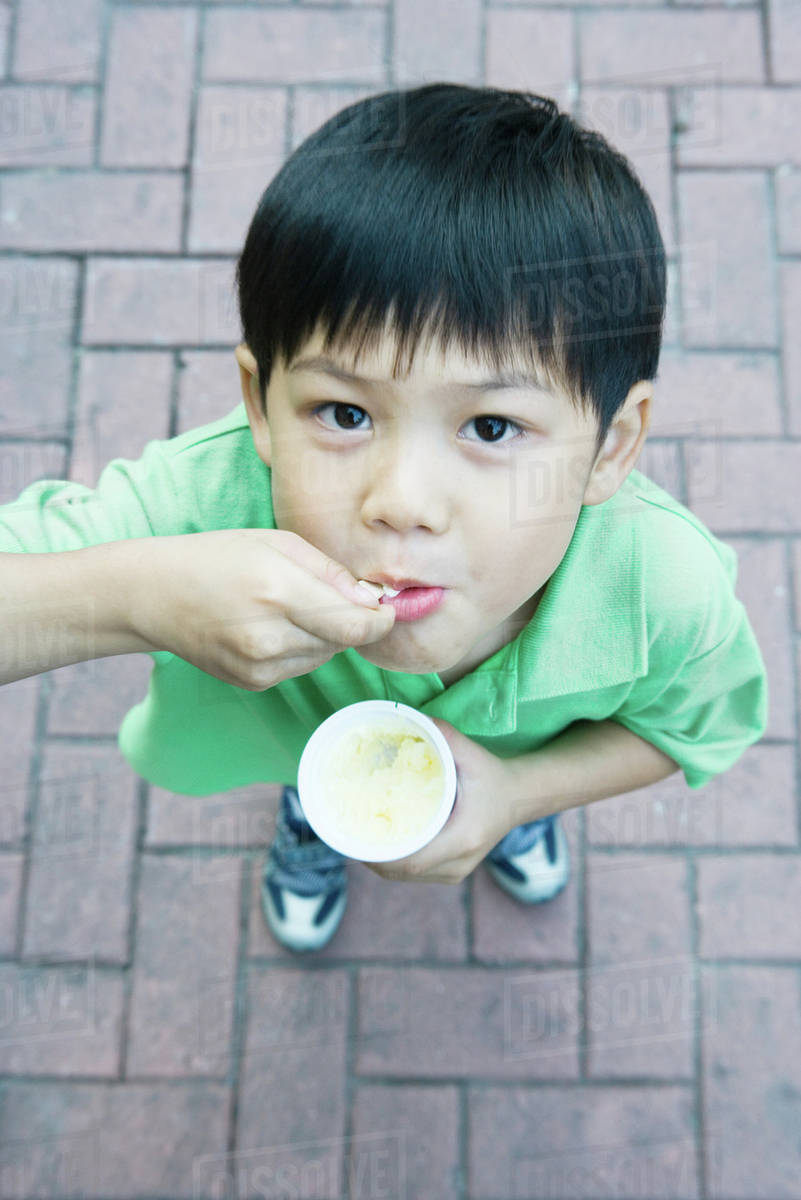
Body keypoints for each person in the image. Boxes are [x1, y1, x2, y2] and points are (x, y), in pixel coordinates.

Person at [0, 84, 768, 953]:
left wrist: (524, 794)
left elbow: (685, 727)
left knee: (489, 793)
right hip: (290, 738)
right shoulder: (201, 507)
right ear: (260, 401)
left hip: (517, 772)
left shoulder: (660, 589)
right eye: (343, 413)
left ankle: (498, 817)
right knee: (320, 774)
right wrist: (132, 596)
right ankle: (313, 811)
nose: (399, 500)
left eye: (491, 427)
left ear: (609, 446)